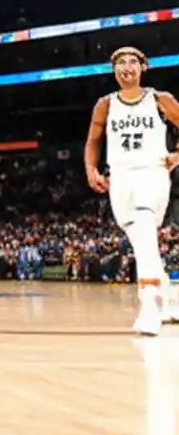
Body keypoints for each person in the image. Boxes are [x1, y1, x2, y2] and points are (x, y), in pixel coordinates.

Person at [84, 46, 179, 335]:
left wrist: (178, 154)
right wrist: (91, 170)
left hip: (152, 172)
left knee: (144, 223)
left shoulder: (160, 99)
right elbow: (93, 141)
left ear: (143, 67)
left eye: (132, 62)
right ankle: (171, 298)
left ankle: (148, 303)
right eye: (120, 63)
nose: (126, 67)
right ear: (114, 70)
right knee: (141, 238)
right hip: (120, 178)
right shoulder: (105, 104)